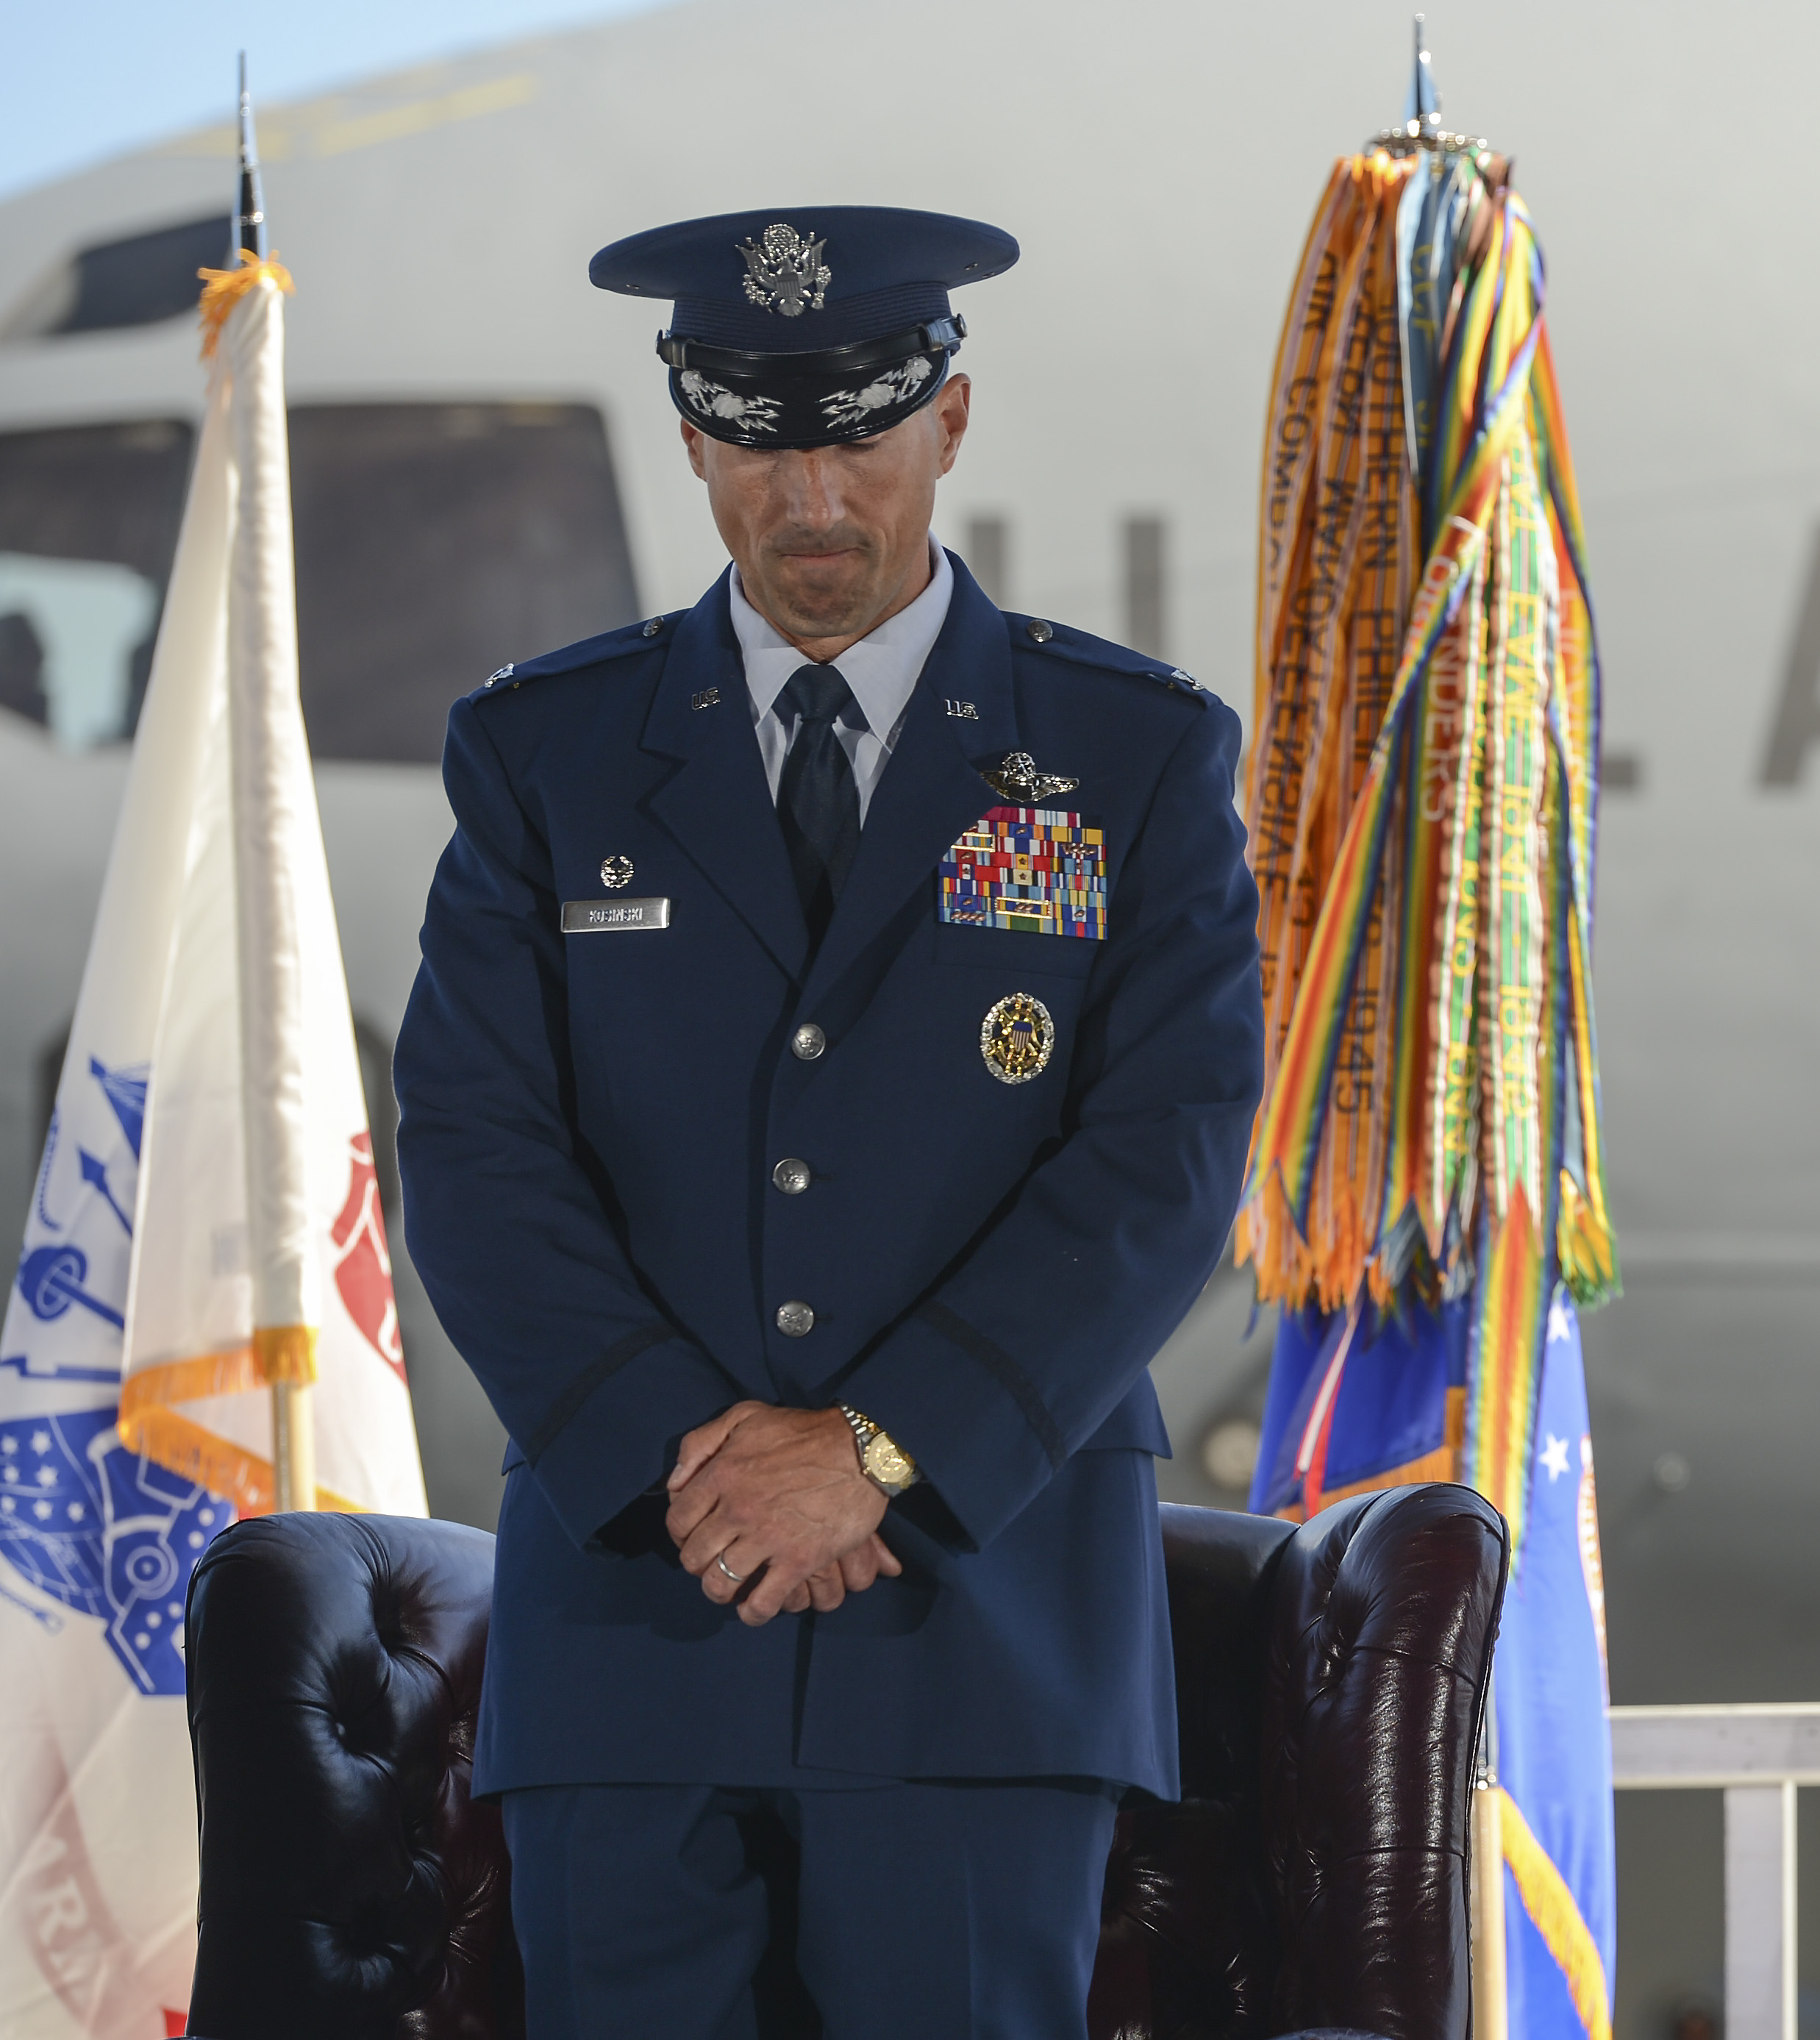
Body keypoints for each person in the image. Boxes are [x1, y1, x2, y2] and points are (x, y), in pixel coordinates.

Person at [393, 206, 1261, 2037]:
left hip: (980, 1613)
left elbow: (1166, 1152)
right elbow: (476, 1147)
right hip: (640, 1609)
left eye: (861, 433)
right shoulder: (547, 753)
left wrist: (875, 1447)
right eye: (764, 443)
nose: (814, 502)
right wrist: (694, 1472)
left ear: (948, 421)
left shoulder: (1130, 756)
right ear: (693, 433)